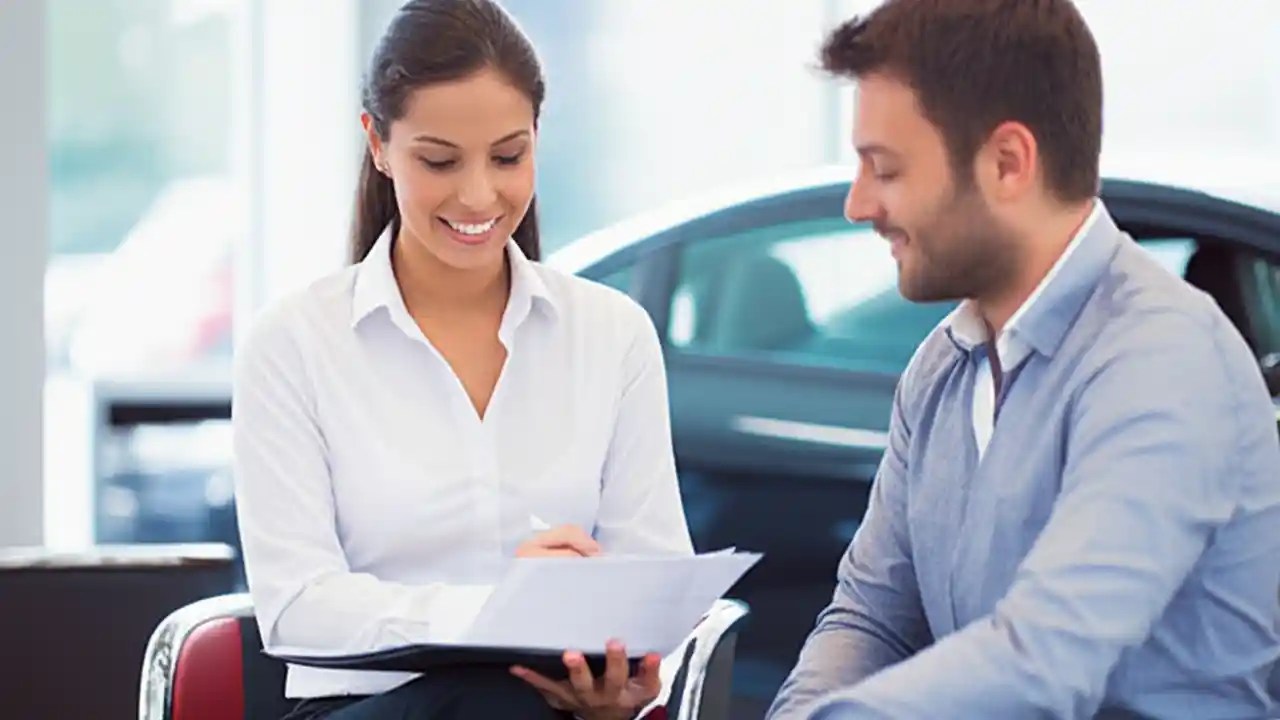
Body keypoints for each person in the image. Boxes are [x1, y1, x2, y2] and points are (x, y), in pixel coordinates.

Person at [766, 0, 1280, 718]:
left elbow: (1045, 661)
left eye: (885, 169)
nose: (857, 205)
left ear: (1008, 163)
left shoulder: (1164, 359)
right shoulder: (941, 367)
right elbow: (869, 619)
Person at [231, 1, 693, 718]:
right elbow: (296, 607)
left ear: (538, 137)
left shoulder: (612, 335)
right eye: (439, 161)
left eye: (508, 157)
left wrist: (620, 680)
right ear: (378, 145)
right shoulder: (293, 344)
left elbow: (656, 577)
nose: (479, 194)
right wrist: (500, 615)